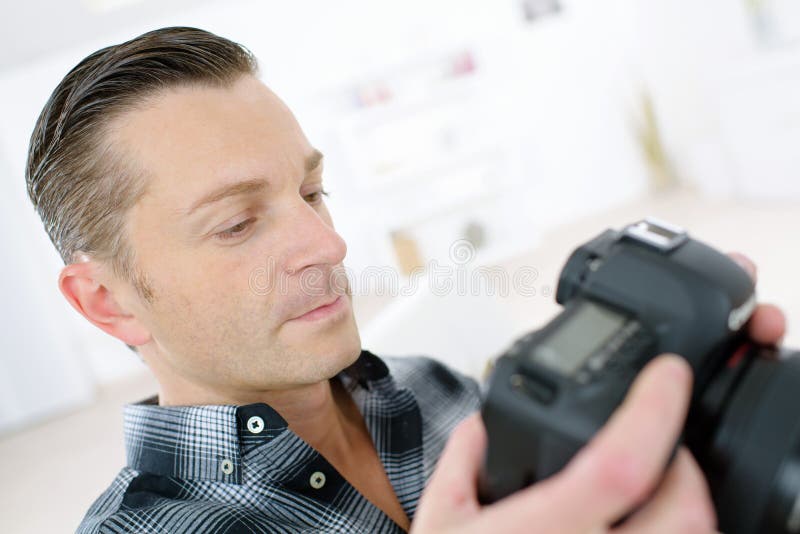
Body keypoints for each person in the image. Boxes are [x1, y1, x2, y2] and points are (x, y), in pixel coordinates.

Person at [25, 27, 785, 534]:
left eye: (312, 192)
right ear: (106, 302)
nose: (327, 243)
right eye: (237, 224)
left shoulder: (432, 389)